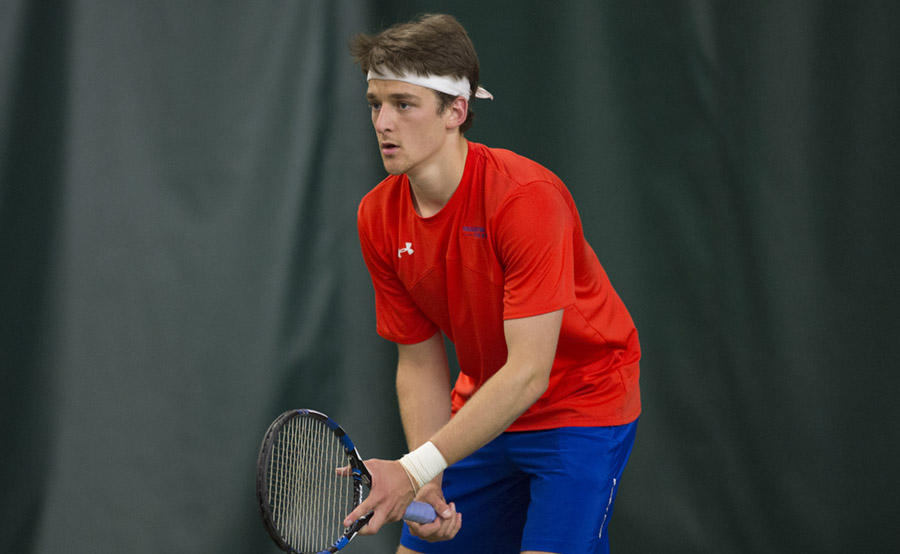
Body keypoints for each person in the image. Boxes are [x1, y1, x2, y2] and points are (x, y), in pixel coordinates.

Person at [345, 13, 641, 554]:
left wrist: (411, 469)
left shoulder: (525, 199)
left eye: (403, 104)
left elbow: (529, 373)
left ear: (456, 111)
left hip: (580, 406)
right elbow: (419, 360)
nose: (383, 122)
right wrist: (428, 480)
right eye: (375, 104)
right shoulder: (377, 216)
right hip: (486, 407)